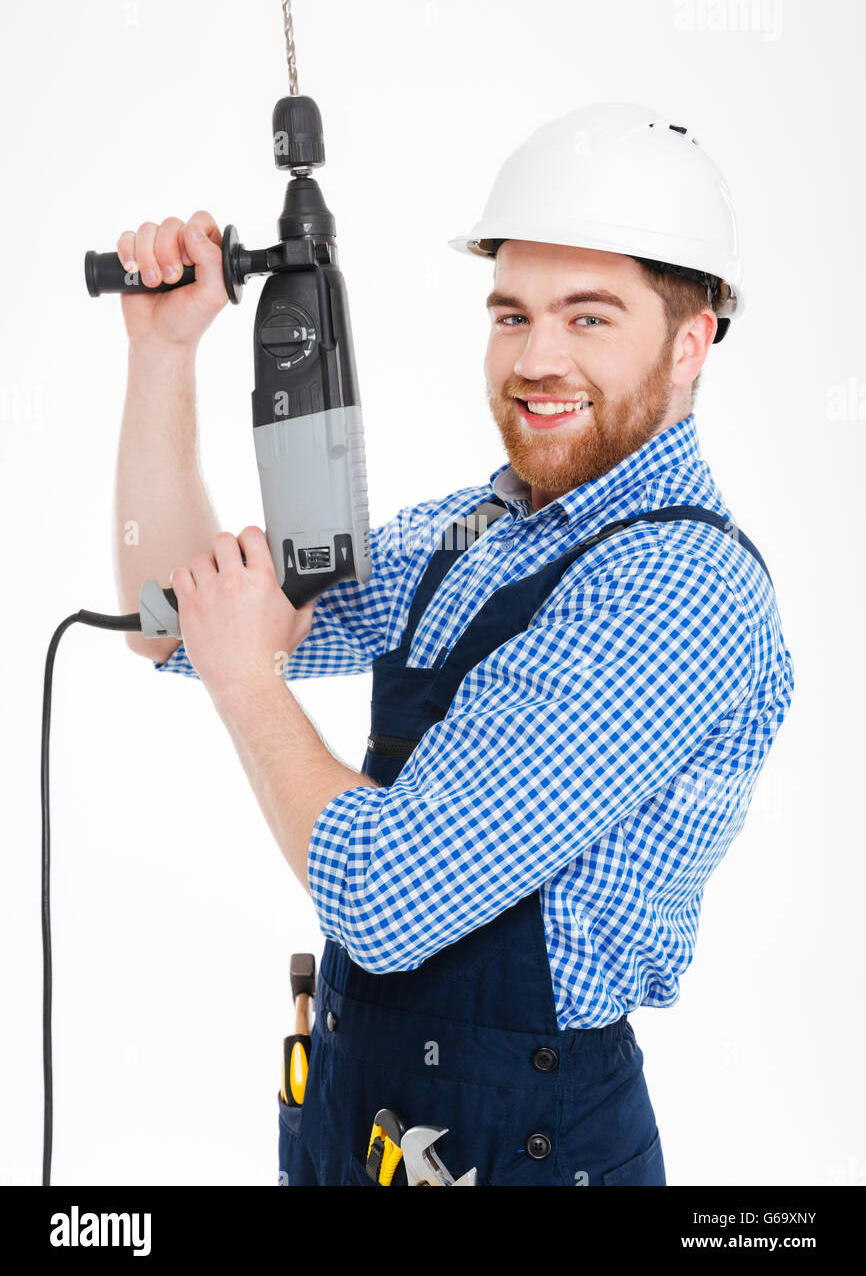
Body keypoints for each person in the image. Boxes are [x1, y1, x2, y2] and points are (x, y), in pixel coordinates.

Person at [113, 103, 794, 1187]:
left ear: (689, 341)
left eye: (587, 319)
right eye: (511, 314)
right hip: (358, 1115)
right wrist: (162, 356)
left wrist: (252, 685)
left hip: (523, 1147)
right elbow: (171, 620)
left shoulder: (680, 590)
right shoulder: (467, 531)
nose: (535, 359)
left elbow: (383, 899)